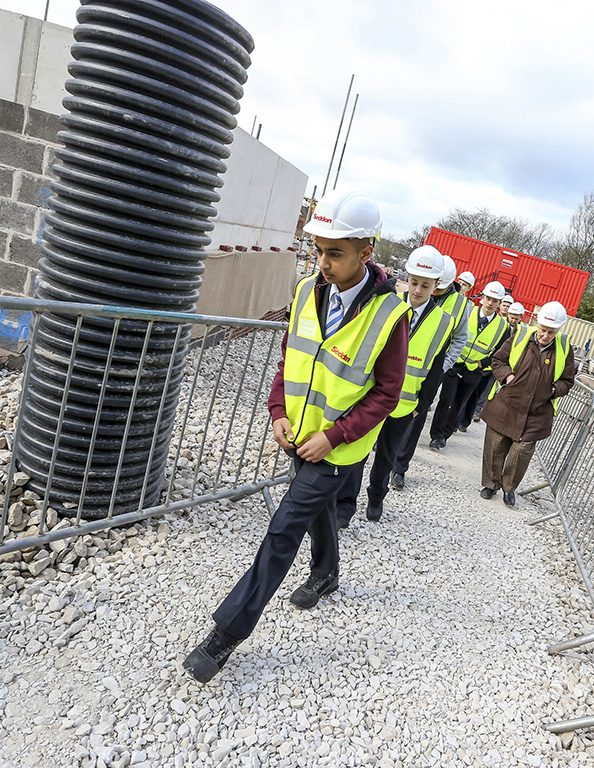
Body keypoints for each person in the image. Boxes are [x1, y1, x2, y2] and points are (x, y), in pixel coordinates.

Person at [183, 190, 411, 684]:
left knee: (284, 527)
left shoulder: (391, 315)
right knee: (316, 512)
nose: (323, 262)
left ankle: (225, 636)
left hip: (337, 448)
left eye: (335, 252)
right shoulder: (309, 290)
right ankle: (327, 573)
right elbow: (291, 358)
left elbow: (387, 394)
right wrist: (276, 410)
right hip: (298, 435)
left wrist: (335, 436)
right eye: (318, 250)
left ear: (365, 253)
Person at [337, 246, 450, 523]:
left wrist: (422, 404)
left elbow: (435, 369)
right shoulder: (388, 305)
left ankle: (376, 497)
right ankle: (344, 506)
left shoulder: (443, 322)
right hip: (373, 397)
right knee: (358, 453)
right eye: (414, 283)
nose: (418, 290)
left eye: (425, 285)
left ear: (437, 286)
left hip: (405, 405)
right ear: (406, 279)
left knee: (386, 456)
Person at [480, 301, 575, 508]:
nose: (545, 335)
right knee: (495, 446)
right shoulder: (521, 336)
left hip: (537, 411)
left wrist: (552, 390)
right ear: (537, 324)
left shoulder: (564, 348)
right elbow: (498, 360)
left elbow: (567, 381)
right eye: (543, 330)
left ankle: (509, 488)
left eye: (551, 332)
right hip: (506, 403)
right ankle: (490, 483)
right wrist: (507, 377)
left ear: (558, 330)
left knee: (521, 452)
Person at [390, 255, 470, 490]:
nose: (427, 291)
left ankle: (400, 468)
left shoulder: (459, 305)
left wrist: (443, 366)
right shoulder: (406, 295)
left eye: (434, 287)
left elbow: (459, 339)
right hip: (396, 367)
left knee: (416, 417)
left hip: (429, 373)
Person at [429, 280, 509, 450]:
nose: (490, 303)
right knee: (446, 400)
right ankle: (436, 435)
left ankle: (445, 435)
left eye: (495, 301)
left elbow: (501, 352)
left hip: (474, 370)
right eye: (488, 298)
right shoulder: (468, 312)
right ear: (482, 298)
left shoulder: (503, 326)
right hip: (455, 365)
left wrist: (483, 363)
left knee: (459, 403)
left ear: (499, 304)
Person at [471, 302, 526, 424]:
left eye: (516, 318)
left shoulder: (523, 332)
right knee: (476, 387)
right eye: (512, 317)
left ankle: (477, 411)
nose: (513, 320)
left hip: (504, 366)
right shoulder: (501, 325)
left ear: (521, 317)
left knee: (488, 389)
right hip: (490, 361)